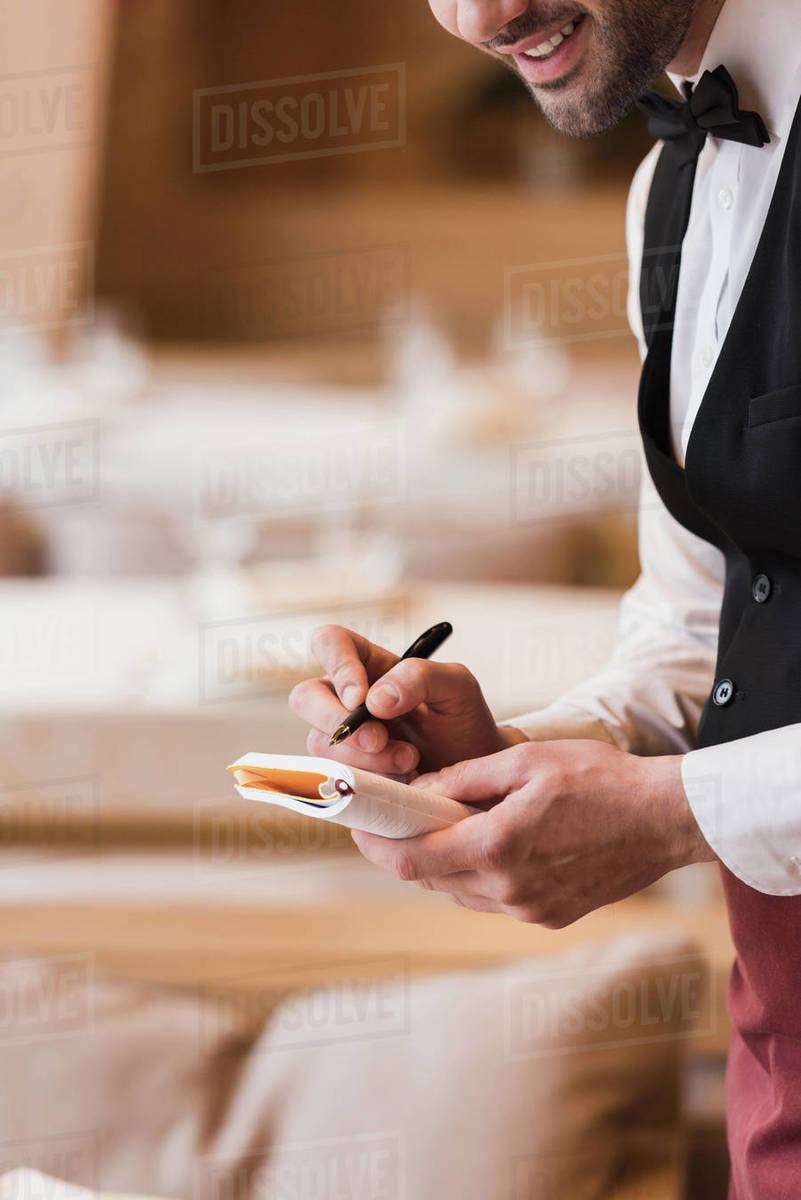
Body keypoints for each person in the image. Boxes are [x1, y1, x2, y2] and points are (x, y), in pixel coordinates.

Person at [290, 2, 801, 1194]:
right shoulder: (671, 190)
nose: (481, 16)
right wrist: (529, 754)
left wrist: (676, 814)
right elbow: (705, 624)